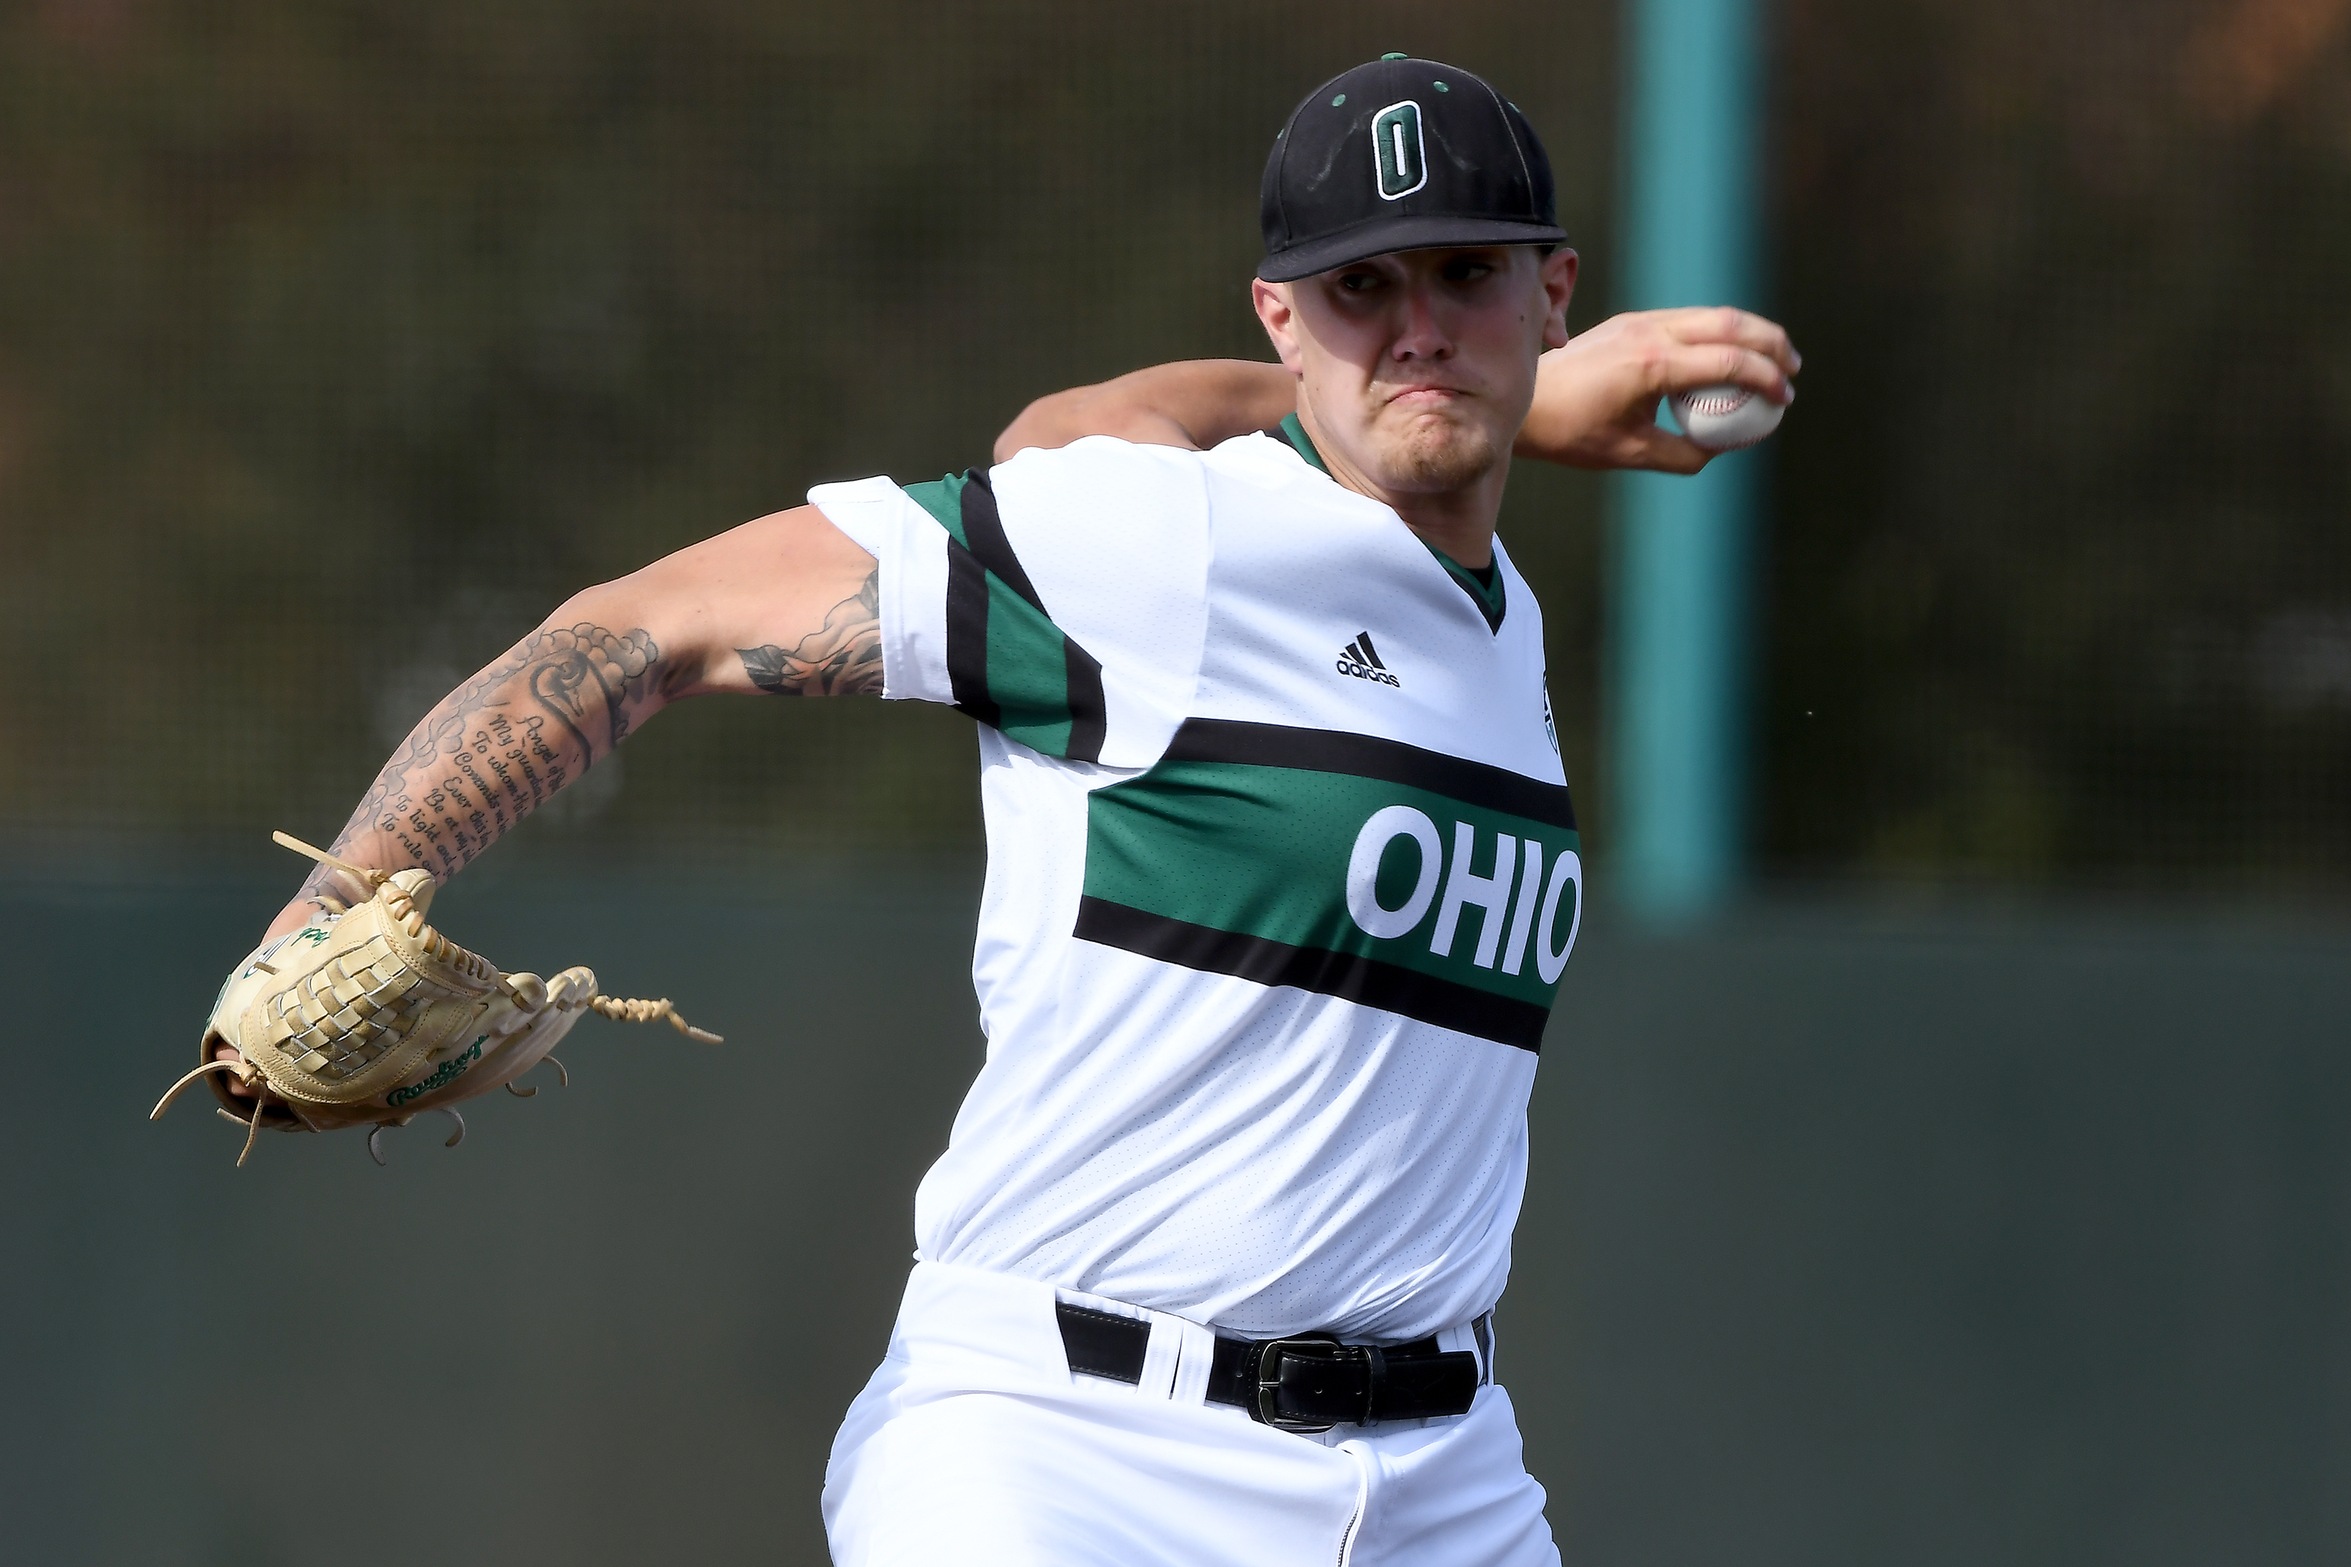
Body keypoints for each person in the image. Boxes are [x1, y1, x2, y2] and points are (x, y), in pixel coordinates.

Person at [225, 54, 1796, 1566]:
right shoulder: (1169, 540)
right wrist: (337, 896)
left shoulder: (1498, 621)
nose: (1415, 327)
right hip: (1073, 1453)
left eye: (1464, 274)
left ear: (1557, 292)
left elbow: (1076, 411)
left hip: (1441, 1475)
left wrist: (1514, 408)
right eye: (1360, 290)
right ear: (1280, 314)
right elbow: (650, 623)